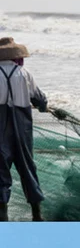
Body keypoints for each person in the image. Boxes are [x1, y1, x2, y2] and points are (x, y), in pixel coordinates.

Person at [0, 37, 47, 222]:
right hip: (22, 126)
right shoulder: (24, 73)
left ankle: (3, 216)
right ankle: (37, 214)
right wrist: (42, 106)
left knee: (1, 170)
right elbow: (40, 99)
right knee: (27, 167)